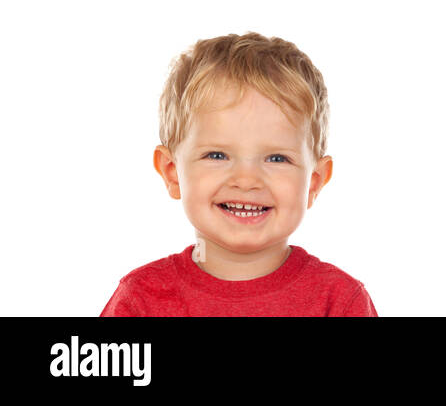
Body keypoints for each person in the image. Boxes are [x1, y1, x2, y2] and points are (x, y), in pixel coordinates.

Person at [101, 33, 376, 316]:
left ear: (314, 182)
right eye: (217, 155)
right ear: (172, 172)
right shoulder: (139, 301)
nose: (246, 180)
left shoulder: (340, 301)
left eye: (277, 158)